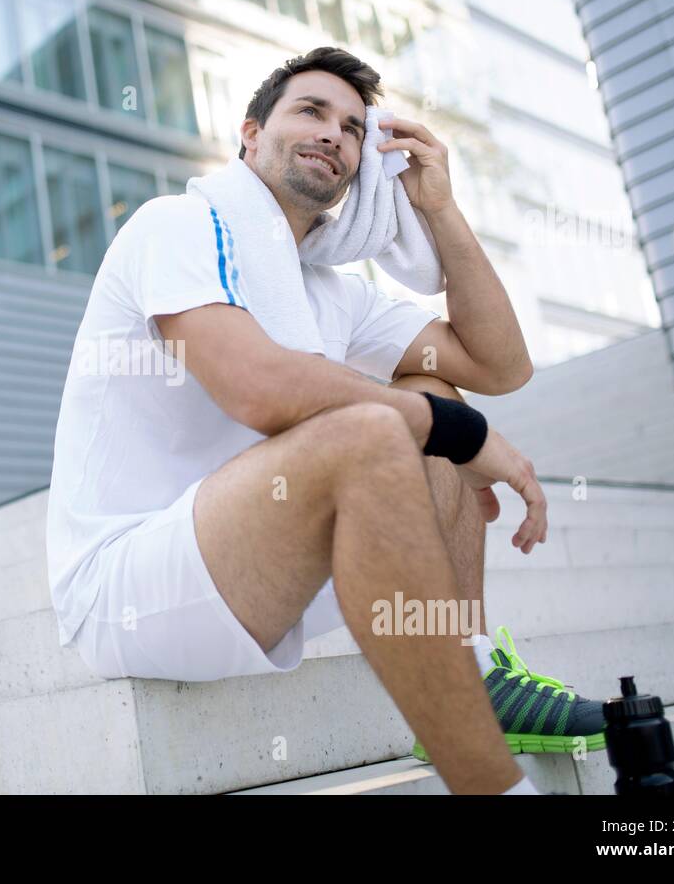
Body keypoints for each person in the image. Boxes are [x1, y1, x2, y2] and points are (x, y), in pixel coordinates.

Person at [46, 46, 605, 795]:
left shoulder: (331, 291)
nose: (333, 133)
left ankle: (468, 668)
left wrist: (439, 207)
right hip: (127, 585)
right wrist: (464, 441)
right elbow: (259, 388)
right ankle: (497, 790)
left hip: (255, 560)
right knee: (378, 429)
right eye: (309, 110)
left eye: (351, 126)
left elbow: (498, 364)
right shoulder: (176, 224)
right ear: (250, 135)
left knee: (430, 397)